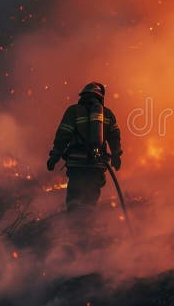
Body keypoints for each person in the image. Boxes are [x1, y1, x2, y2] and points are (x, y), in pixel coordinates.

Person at [46, 82, 123, 212]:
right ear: (100, 97)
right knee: (90, 203)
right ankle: (87, 228)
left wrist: (54, 157)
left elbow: (63, 136)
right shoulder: (107, 114)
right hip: (96, 165)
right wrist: (116, 156)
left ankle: (73, 228)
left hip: (77, 165)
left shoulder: (73, 111)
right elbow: (115, 137)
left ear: (83, 96)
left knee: (74, 201)